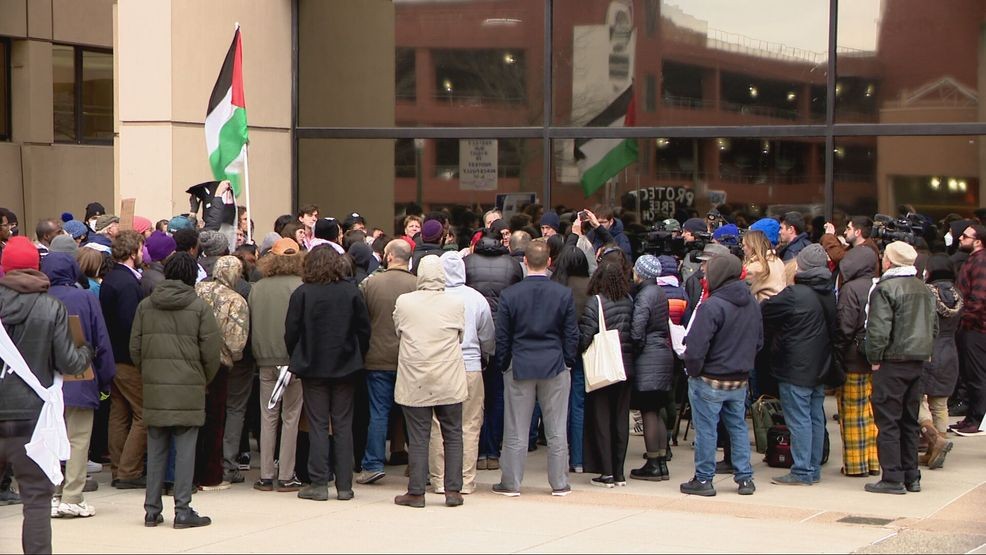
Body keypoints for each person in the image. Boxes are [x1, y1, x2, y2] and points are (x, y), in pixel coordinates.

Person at [0, 236, 91, 553]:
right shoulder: (51, 308)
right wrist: (86, 351)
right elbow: (69, 362)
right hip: (32, 420)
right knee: (36, 501)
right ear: (37, 266)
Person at [132, 252, 220, 529]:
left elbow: (135, 348)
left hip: (155, 385)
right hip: (189, 386)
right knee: (185, 451)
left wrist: (150, 373)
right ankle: (182, 509)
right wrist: (202, 379)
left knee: (156, 447)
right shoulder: (199, 307)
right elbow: (211, 352)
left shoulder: (146, 306)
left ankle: (151, 510)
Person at [492, 239, 579, 497]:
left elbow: (502, 336)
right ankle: (559, 482)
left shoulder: (510, 294)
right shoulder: (563, 294)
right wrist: (567, 361)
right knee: (556, 428)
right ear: (549, 262)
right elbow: (571, 333)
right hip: (554, 363)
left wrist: (504, 363)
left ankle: (511, 482)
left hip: (520, 363)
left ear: (525, 261)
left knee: (516, 428)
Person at [285, 246, 371, 502]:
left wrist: (298, 355)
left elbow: (291, 331)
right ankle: (344, 485)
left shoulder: (302, 293)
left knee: (318, 424)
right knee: (343, 424)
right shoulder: (350, 291)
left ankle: (319, 482)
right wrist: (357, 354)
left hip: (313, 364)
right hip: (346, 364)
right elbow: (364, 330)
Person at [40, 253, 115, 518]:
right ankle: (72, 495)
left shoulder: (39, 299)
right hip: (80, 375)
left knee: (49, 436)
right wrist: (105, 378)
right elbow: (100, 340)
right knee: (78, 439)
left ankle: (52, 492)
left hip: (44, 379)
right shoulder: (85, 298)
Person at [681, 254, 762, 497]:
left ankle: (704, 479)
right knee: (737, 428)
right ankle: (745, 479)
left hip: (710, 378)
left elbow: (696, 348)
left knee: (707, 430)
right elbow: (758, 341)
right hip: (739, 377)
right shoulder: (752, 303)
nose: (704, 274)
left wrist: (694, 371)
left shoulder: (712, 305)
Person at [391, 256, 467, 508]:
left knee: (418, 436)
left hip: (416, 377)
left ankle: (416, 492)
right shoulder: (455, 303)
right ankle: (453, 491)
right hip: (448, 377)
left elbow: (398, 330)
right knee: (453, 434)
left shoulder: (405, 302)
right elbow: (460, 335)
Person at [864, 241, 937, 494]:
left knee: (888, 421)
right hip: (917, 360)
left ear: (888, 261)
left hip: (892, 361)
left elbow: (878, 330)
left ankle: (893, 477)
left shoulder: (885, 288)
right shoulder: (924, 288)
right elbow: (933, 327)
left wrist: (874, 358)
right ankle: (911, 475)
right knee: (909, 420)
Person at [762, 244, 836, 486]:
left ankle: (802, 470)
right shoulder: (828, 292)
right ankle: (812, 468)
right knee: (815, 417)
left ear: (801, 266)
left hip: (795, 366)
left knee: (799, 419)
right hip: (820, 364)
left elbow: (765, 310)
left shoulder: (795, 294)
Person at [426, 252, 494, 496]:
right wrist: (486, 355)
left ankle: (439, 479)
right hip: (470, 366)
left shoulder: (431, 298)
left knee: (437, 424)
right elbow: (488, 336)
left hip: (438, 366)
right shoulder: (476, 299)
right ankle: (464, 480)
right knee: (469, 424)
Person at [356, 239, 419, 485]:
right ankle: (418, 466)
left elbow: (361, 320)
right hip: (409, 358)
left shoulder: (371, 283)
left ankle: (372, 464)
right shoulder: (417, 285)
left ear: (390, 256)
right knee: (414, 415)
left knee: (378, 413)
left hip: (377, 357)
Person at [249, 238, 305, 492]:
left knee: (268, 415)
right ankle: (286, 475)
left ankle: (265, 474)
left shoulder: (258, 288)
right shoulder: (301, 286)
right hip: (292, 361)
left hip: (265, 359)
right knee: (290, 417)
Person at [467, 230, 524, 471]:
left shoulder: (467, 263)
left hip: (473, 334)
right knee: (498, 394)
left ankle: (477, 449)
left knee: (473, 396)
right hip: (502, 332)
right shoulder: (512, 265)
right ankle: (492, 450)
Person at [194, 256, 249, 489]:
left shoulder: (197, 290)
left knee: (197, 416)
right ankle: (215, 472)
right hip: (220, 364)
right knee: (218, 417)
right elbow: (237, 342)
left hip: (193, 360)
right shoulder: (236, 300)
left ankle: (192, 470)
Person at [578, 261, 634, 488]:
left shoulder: (596, 302)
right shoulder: (629, 300)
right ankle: (619, 472)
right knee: (620, 419)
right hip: (625, 365)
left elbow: (586, 335)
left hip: (603, 366)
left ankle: (606, 472)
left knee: (601, 419)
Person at [99, 230, 147, 490]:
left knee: (119, 413)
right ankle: (128, 471)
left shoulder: (111, 279)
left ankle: (119, 468)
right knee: (144, 414)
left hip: (113, 356)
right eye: (140, 249)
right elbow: (131, 325)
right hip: (128, 359)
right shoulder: (127, 283)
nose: (143, 253)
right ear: (132, 252)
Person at [833, 246, 882, 477]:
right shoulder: (880, 285)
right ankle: (873, 461)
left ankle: (855, 465)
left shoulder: (850, 289)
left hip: (853, 359)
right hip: (877, 358)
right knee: (871, 413)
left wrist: (838, 355)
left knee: (852, 412)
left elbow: (845, 327)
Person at [626, 255, 674, 482]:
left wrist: (635, 349)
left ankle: (653, 463)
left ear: (641, 273)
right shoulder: (660, 293)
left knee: (648, 411)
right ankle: (661, 461)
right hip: (663, 354)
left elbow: (638, 330)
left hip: (649, 358)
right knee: (657, 408)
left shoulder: (644, 295)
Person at [551, 246, 592, 474]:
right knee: (578, 404)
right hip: (582, 350)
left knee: (557, 405)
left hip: (556, 350)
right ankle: (577, 458)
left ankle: (559, 455)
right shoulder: (590, 286)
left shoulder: (555, 286)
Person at [918, 254, 961, 469]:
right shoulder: (957, 295)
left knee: (918, 399)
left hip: (929, 350)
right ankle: (934, 450)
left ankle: (935, 441)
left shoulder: (925, 293)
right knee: (940, 404)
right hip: (950, 351)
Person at [953, 224, 986, 436]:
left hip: (976, 327)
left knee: (977, 376)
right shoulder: (974, 259)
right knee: (971, 375)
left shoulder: (981, 260)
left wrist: (963, 317)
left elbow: (979, 298)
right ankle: (972, 417)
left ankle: (978, 419)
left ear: (978, 241)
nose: (960, 238)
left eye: (965, 236)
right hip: (970, 325)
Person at [742, 230, 786, 303]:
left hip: (764, 307)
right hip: (781, 304)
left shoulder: (754, 268)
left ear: (752, 245)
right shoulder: (777, 260)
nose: (742, 248)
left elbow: (742, 294)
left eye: (744, 245)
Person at [141, 231, 177, 297]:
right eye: (173, 253)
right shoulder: (161, 283)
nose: (175, 256)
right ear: (163, 255)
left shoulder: (146, 273)